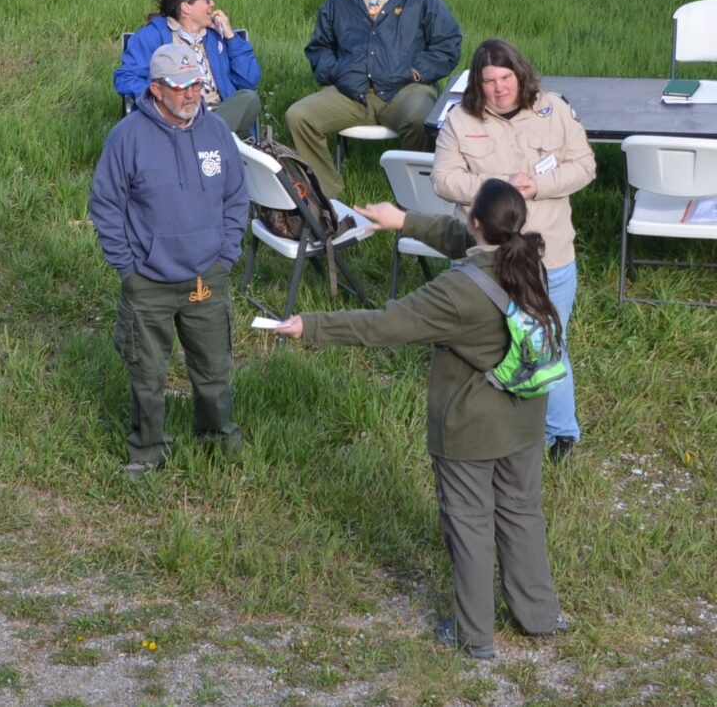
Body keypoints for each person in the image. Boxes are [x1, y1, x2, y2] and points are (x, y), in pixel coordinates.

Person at [276, 179, 567, 659]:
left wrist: (312, 325)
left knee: (470, 524)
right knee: (521, 513)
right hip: (524, 419)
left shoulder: (456, 292)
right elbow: (462, 240)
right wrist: (403, 221)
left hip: (471, 428)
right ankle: (539, 616)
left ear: (477, 221)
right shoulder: (527, 257)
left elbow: (384, 324)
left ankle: (474, 636)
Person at [432, 39, 595, 463]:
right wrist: (496, 185)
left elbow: (585, 166)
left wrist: (539, 185)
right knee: (494, 344)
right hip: (488, 259)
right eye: (489, 81)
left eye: (506, 78)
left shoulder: (554, 109)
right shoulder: (459, 120)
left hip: (550, 255)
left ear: (520, 75)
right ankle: (504, 429)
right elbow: (444, 180)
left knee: (548, 344)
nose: (499, 88)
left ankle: (561, 434)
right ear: (477, 84)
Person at [91, 43, 249, 476]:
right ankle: (147, 452)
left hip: (208, 276)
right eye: (180, 86)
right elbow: (105, 205)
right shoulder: (127, 137)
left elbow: (237, 196)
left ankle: (219, 443)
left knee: (214, 369)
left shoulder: (217, 133)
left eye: (196, 83)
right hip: (148, 281)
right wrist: (128, 266)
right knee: (147, 374)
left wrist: (226, 254)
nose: (190, 93)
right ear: (156, 89)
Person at [285, 0, 461, 198]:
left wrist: (416, 73)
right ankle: (329, 198)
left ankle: (418, 198)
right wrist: (338, 73)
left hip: (404, 90)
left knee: (421, 117)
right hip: (352, 93)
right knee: (299, 116)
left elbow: (448, 44)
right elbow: (318, 48)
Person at [114, 0, 262, 137]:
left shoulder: (216, 37)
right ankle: (200, 142)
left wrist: (231, 37)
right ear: (186, 7)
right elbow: (126, 78)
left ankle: (198, 141)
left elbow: (249, 81)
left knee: (249, 98)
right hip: (177, 115)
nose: (212, 4)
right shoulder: (151, 37)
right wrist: (163, 97)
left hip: (220, 113)